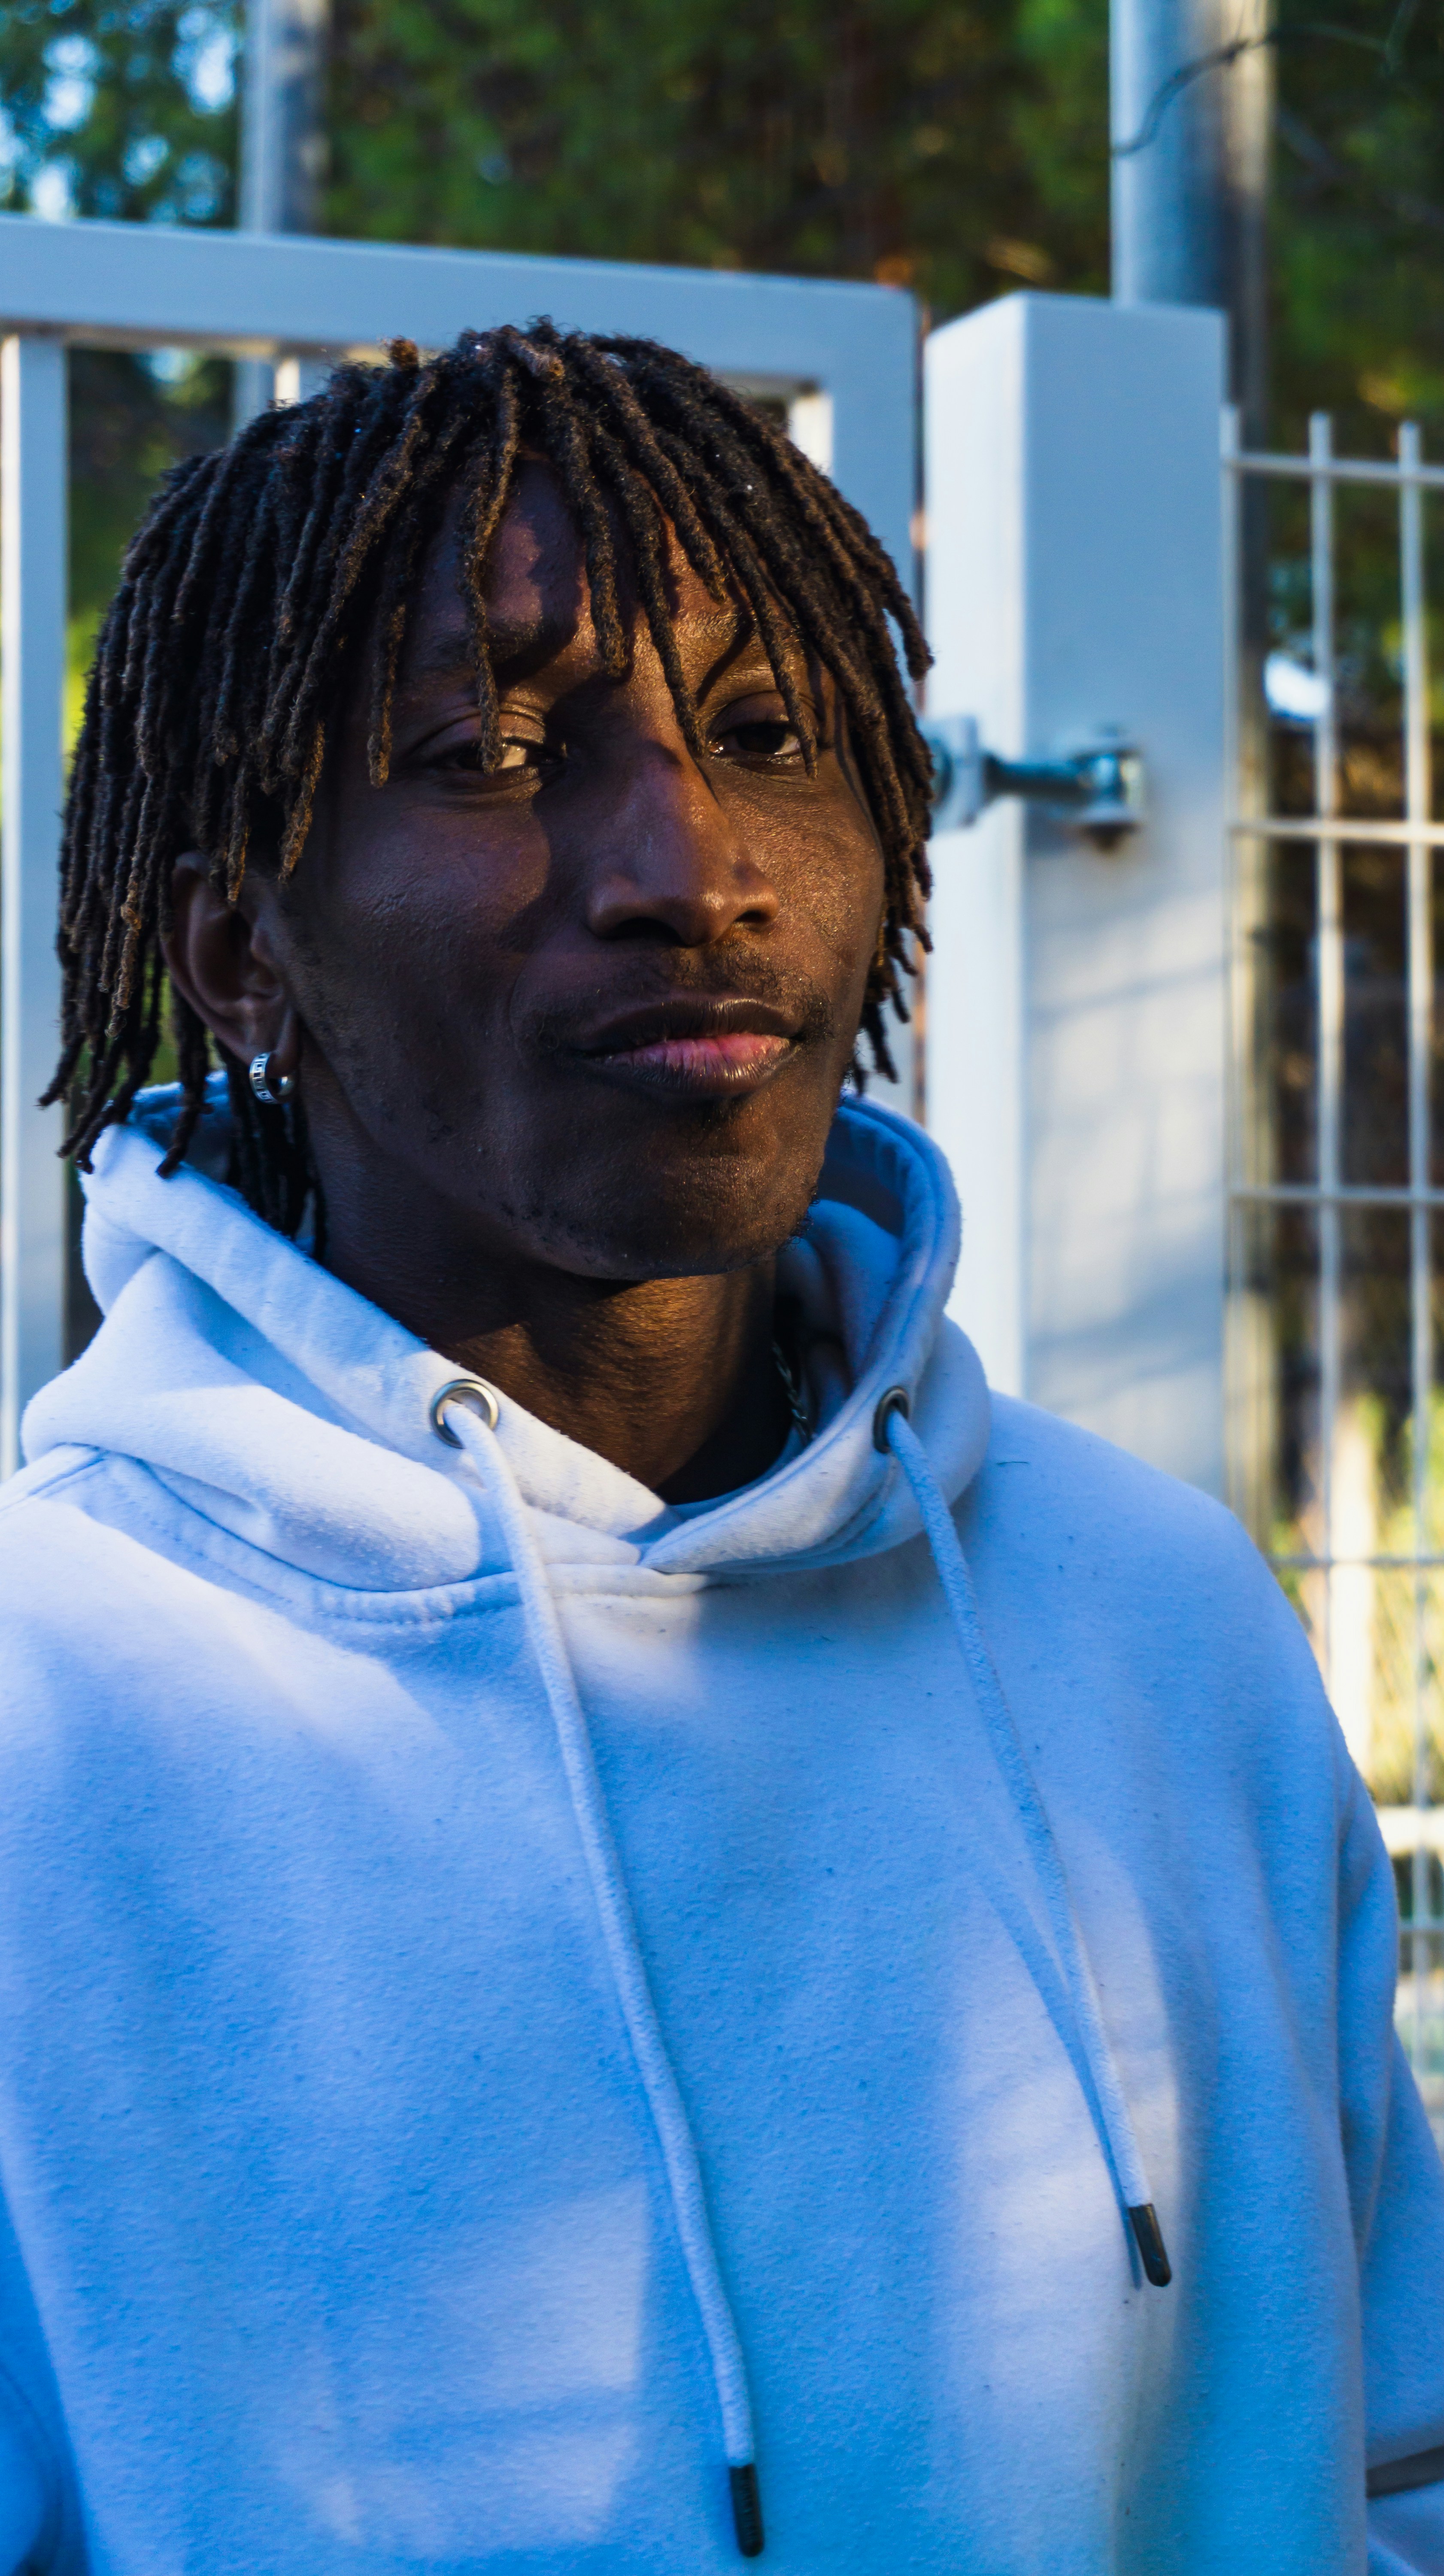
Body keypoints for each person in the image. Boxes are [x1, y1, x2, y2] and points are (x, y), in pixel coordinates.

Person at [0, 320, 1440, 2576]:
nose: (688, 859)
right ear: (236, 948)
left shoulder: (1150, 1611)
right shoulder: (51, 1711)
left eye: (770, 735)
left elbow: (1381, 2461)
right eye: (487, 749)